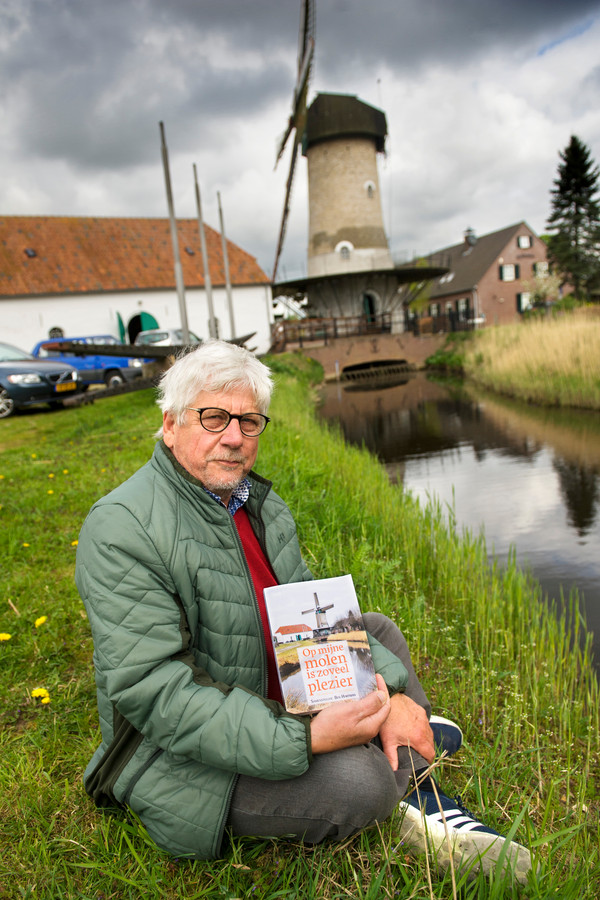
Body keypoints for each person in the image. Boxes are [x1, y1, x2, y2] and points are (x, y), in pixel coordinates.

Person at [75, 340, 532, 883]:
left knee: (377, 632)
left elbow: (309, 613)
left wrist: (395, 692)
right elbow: (156, 692)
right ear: (171, 424)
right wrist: (305, 739)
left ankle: (406, 759)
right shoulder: (121, 528)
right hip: (179, 754)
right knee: (358, 784)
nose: (234, 437)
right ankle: (404, 777)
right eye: (214, 417)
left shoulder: (256, 503)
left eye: (249, 421)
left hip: (268, 687)